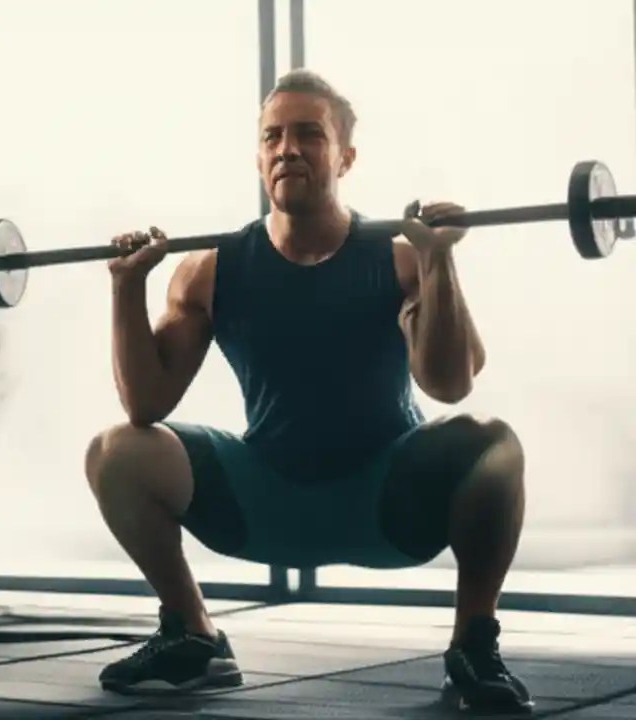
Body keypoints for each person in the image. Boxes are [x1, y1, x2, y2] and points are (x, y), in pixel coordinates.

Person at [85, 69, 533, 715]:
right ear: (259, 154)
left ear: (345, 156)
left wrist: (439, 260)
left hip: (387, 501)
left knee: (493, 442)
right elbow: (146, 405)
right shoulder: (210, 268)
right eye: (273, 136)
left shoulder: (400, 256)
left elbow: (450, 382)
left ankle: (473, 647)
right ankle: (193, 636)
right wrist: (126, 287)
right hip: (267, 499)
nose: (287, 148)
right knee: (116, 450)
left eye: (308, 134)